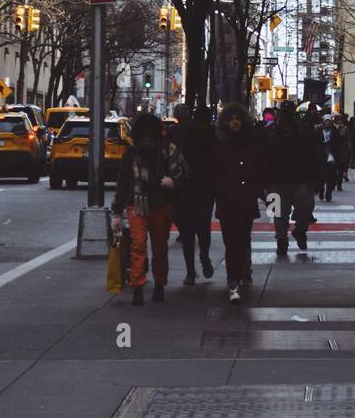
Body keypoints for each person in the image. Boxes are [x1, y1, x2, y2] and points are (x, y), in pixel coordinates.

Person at [111, 113, 189, 304]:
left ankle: (155, 284)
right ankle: (141, 285)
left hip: (154, 204)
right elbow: (123, 183)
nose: (147, 138)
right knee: (141, 245)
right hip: (142, 204)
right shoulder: (137, 153)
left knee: (156, 247)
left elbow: (184, 173)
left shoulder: (158, 151)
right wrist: (117, 211)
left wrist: (174, 181)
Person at [206, 103, 267, 304]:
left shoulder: (252, 144)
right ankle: (233, 281)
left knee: (242, 241)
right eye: (231, 119)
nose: (234, 123)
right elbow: (213, 172)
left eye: (237, 119)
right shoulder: (219, 146)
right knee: (231, 243)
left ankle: (237, 277)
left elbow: (259, 169)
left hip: (245, 200)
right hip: (228, 201)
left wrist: (256, 189)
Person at [263, 100, 318, 256]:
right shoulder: (269, 132)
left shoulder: (304, 131)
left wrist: (313, 178)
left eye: (289, 112)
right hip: (275, 181)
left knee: (306, 209)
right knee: (279, 214)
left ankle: (300, 231)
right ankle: (281, 240)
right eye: (284, 112)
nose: (286, 115)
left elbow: (313, 154)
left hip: (300, 180)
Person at [169, 104, 215, 285]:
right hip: (204, 186)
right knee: (203, 227)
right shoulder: (211, 133)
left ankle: (190, 271)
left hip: (181, 186)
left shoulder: (173, 132)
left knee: (186, 231)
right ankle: (204, 257)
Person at [316, 114, 341, 202]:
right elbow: (315, 142)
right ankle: (321, 190)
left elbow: (338, 143)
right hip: (321, 156)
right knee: (321, 176)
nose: (327, 122)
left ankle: (328, 194)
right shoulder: (318, 130)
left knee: (331, 176)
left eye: (329, 121)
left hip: (332, 156)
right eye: (326, 121)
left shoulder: (335, 130)